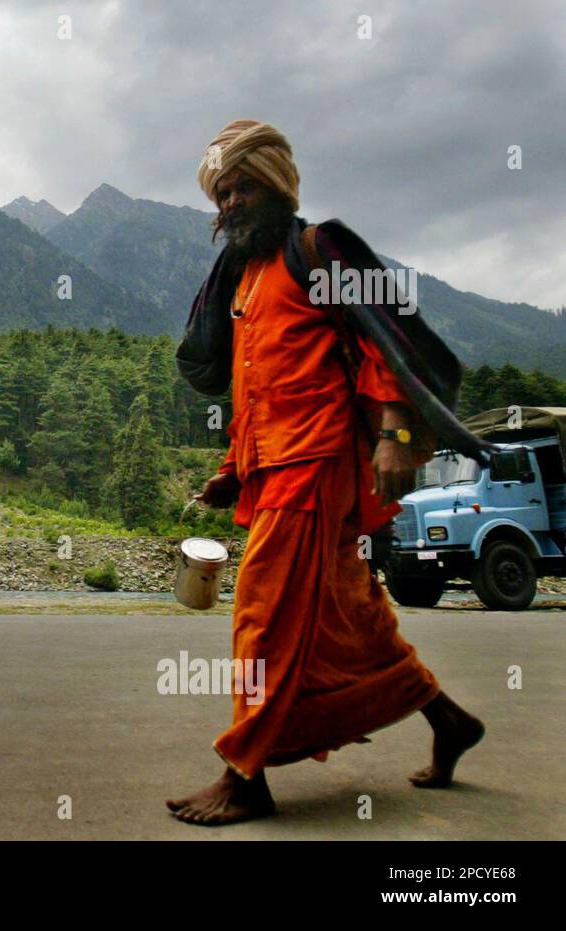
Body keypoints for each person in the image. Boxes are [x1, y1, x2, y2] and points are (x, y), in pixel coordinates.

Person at [167, 120, 485, 826]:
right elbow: (257, 390)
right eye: (224, 193)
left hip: (315, 467)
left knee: (263, 617)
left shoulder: (318, 251)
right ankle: (450, 718)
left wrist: (398, 434)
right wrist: (231, 469)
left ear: (277, 185)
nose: (233, 202)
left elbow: (381, 344)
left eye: (245, 186)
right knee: (354, 617)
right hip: (272, 470)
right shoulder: (246, 278)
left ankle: (244, 773)